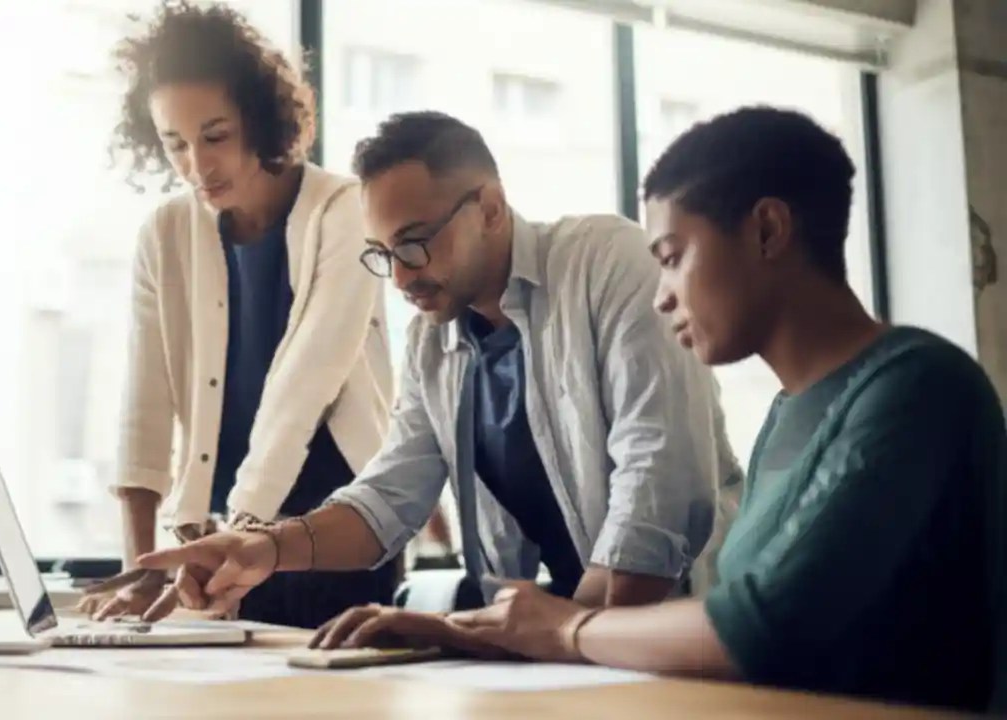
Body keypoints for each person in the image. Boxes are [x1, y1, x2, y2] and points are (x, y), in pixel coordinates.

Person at [314, 107, 1007, 714]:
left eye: (672, 258)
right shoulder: (787, 418)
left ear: (767, 230)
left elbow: (758, 626)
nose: (661, 294)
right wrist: (476, 631)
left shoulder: (916, 388)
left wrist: (560, 629)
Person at [136, 111, 738, 619]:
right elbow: (389, 498)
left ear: (492, 208)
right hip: (585, 639)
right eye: (384, 254)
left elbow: (656, 483)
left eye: (416, 242)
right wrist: (260, 549)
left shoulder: (607, 260)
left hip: (699, 629)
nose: (400, 277)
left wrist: (562, 640)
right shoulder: (436, 339)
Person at [76, 1, 397, 629]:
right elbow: (142, 414)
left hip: (336, 535)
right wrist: (144, 570)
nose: (197, 165)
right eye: (176, 144)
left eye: (215, 136)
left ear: (258, 117)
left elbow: (304, 384)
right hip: (221, 543)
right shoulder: (165, 234)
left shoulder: (346, 211)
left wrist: (236, 535)